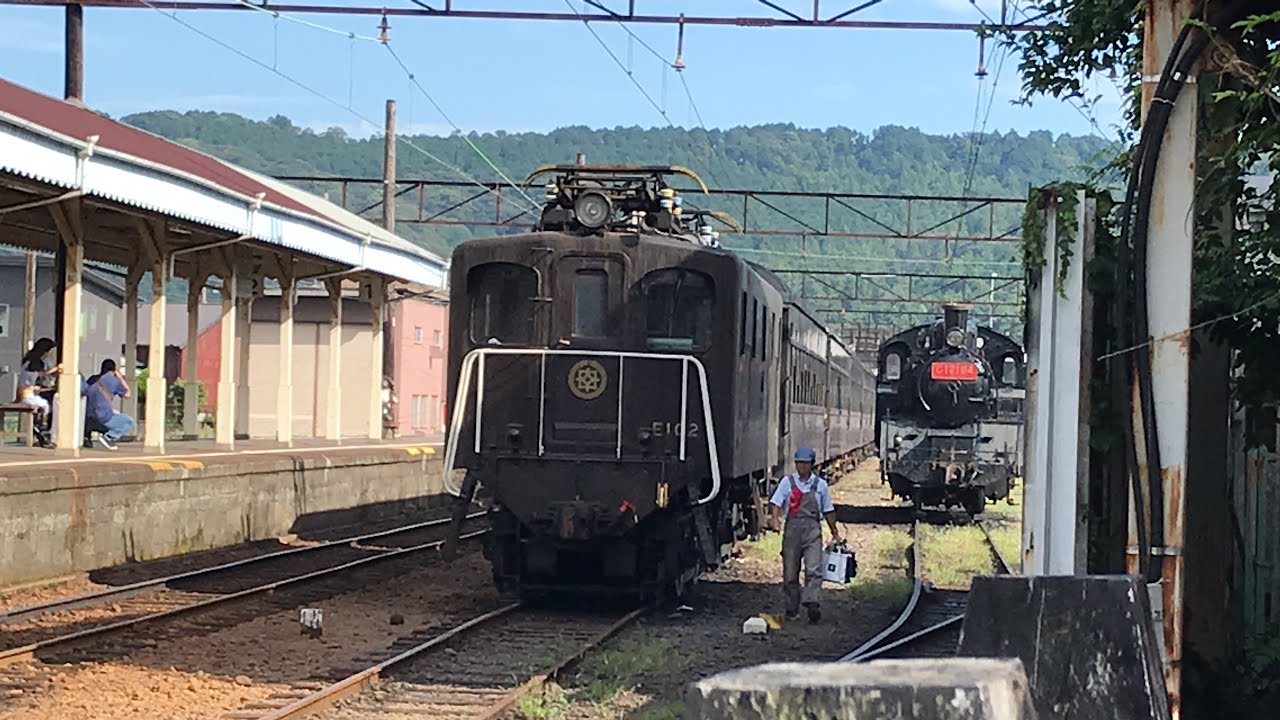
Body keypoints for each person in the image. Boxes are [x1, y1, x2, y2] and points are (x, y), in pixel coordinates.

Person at [769, 446, 841, 623]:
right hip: (792, 532)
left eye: (806, 463)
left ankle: (812, 602)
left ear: (812, 465)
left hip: (812, 531)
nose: (802, 466)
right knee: (790, 572)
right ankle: (791, 609)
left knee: (814, 568)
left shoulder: (820, 485)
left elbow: (828, 510)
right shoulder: (787, 483)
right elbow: (776, 503)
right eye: (799, 463)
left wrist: (834, 532)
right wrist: (775, 520)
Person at [16, 338, 59, 449]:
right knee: (46, 405)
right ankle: (42, 432)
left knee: (47, 402)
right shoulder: (32, 363)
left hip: (32, 392)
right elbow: (38, 376)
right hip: (28, 394)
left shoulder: (39, 360)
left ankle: (42, 431)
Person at [83, 359, 134, 450]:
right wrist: (120, 378)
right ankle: (109, 437)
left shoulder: (93, 379)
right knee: (129, 421)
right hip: (103, 417)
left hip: (88, 416)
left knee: (113, 412)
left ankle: (88, 437)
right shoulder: (114, 381)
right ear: (114, 370)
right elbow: (128, 394)